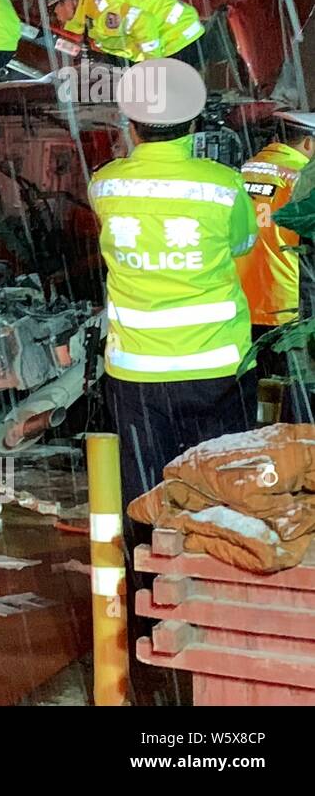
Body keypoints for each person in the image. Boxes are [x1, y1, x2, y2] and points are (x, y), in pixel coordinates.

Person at [89, 58, 258, 704]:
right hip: (216, 370)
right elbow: (241, 245)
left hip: (137, 375)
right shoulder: (222, 186)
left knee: (145, 500)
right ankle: (219, 615)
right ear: (195, 118)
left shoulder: (107, 185)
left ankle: (155, 633)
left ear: (132, 122)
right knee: (221, 496)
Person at [237, 112, 315, 378]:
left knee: (253, 382)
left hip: (240, 301)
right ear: (308, 143)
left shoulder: (242, 169)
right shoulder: (303, 178)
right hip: (285, 304)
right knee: (290, 388)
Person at [43, 0, 208, 67]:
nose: (54, 15)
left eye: (53, 9)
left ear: (69, 1)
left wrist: (153, 64)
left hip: (178, 41)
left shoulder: (101, 10)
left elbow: (143, 22)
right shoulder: (95, 1)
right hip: (182, 34)